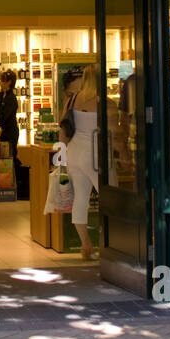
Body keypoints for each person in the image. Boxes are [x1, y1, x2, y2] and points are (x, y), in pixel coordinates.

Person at [60, 64, 100, 260]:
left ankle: (86, 245)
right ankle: (110, 240)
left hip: (74, 151)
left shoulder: (72, 99)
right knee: (112, 198)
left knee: (80, 199)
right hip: (94, 154)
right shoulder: (101, 101)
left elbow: (63, 128)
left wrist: (61, 154)